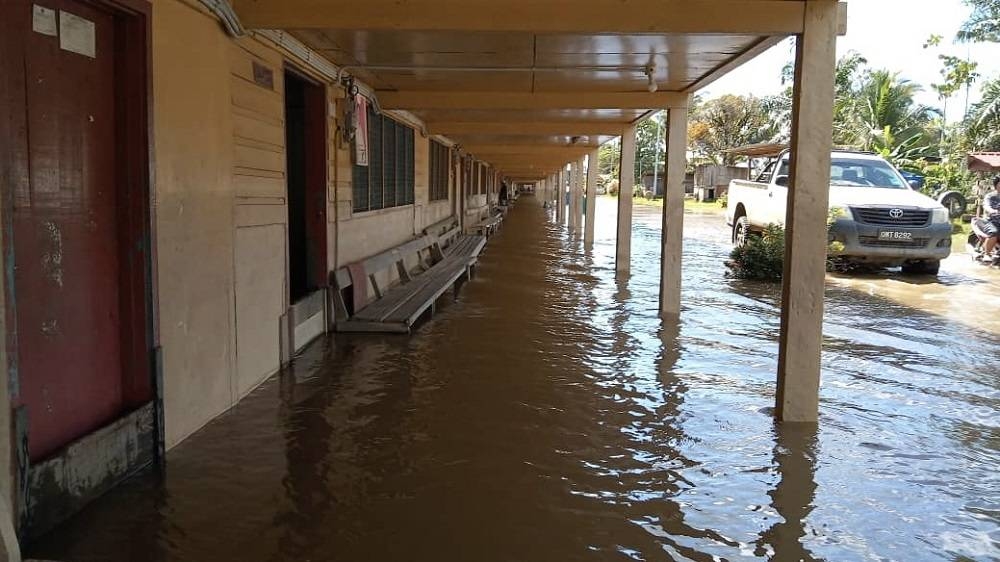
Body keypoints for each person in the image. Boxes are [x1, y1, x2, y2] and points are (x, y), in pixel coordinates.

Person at [982, 176, 1000, 256]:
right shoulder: (990, 196)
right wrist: (993, 211)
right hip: (991, 221)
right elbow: (986, 206)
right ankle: (987, 254)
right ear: (996, 185)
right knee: (994, 232)